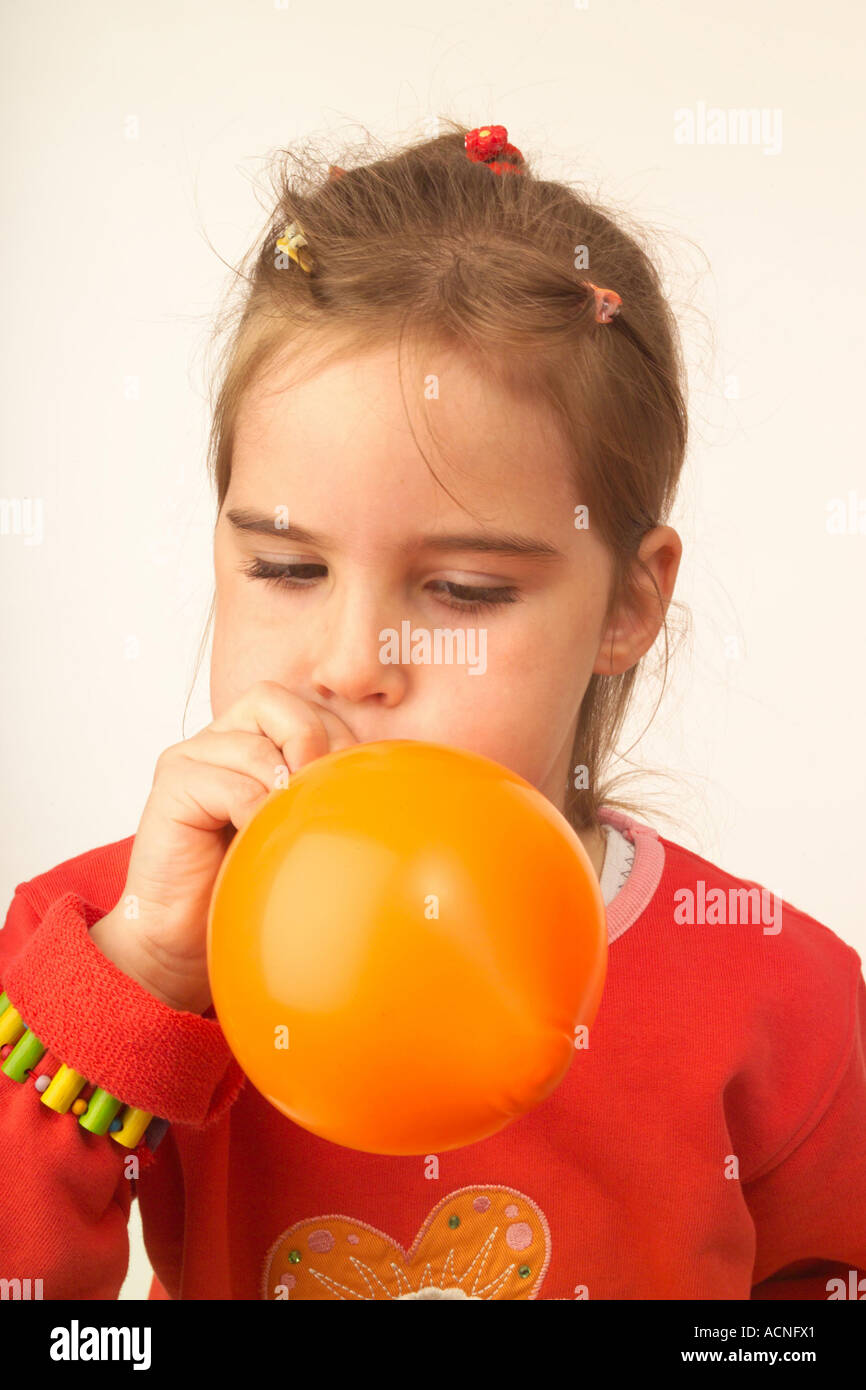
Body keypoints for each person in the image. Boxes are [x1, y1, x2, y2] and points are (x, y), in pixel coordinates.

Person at [2, 122, 864, 1301]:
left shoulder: (779, 989)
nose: (354, 662)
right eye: (287, 569)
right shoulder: (99, 946)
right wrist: (138, 984)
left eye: (461, 590)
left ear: (626, 599)